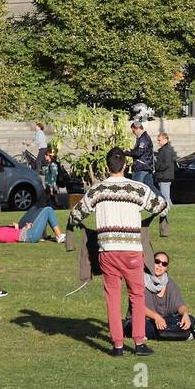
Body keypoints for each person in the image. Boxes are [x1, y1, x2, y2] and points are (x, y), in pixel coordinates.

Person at [69, 148, 170, 357]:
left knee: (112, 299)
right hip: (132, 251)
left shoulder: (97, 191)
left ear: (107, 166)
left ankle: (117, 346)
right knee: (137, 296)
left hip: (108, 252)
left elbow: (76, 213)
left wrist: (74, 226)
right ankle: (139, 343)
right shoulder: (137, 189)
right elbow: (162, 206)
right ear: (125, 165)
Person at [125, 251, 195, 342]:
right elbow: (138, 307)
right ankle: (185, 334)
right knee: (143, 326)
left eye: (164, 264)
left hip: (163, 321)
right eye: (157, 261)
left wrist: (185, 314)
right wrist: (156, 317)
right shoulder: (140, 281)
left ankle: (166, 333)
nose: (160, 265)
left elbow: (180, 305)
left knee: (190, 319)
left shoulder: (170, 283)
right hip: (141, 320)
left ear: (166, 268)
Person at [0, 208, 65, 245]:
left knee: (37, 209)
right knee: (48, 210)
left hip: (27, 232)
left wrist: (27, 227)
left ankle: (44, 235)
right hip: (29, 236)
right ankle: (59, 236)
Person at [153, 131, 176, 237]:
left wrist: (158, 168)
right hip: (165, 176)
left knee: (165, 197)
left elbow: (166, 163)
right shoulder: (165, 149)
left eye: (159, 140)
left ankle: (168, 209)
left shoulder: (166, 150)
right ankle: (168, 208)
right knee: (165, 195)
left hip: (165, 176)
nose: (158, 142)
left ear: (165, 139)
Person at [128, 122, 157, 192]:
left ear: (137, 129)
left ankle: (162, 200)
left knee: (135, 189)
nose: (133, 132)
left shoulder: (143, 138)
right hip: (145, 166)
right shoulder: (143, 138)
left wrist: (127, 153)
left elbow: (139, 152)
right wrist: (131, 151)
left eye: (133, 131)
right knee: (151, 188)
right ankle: (162, 200)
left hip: (141, 167)